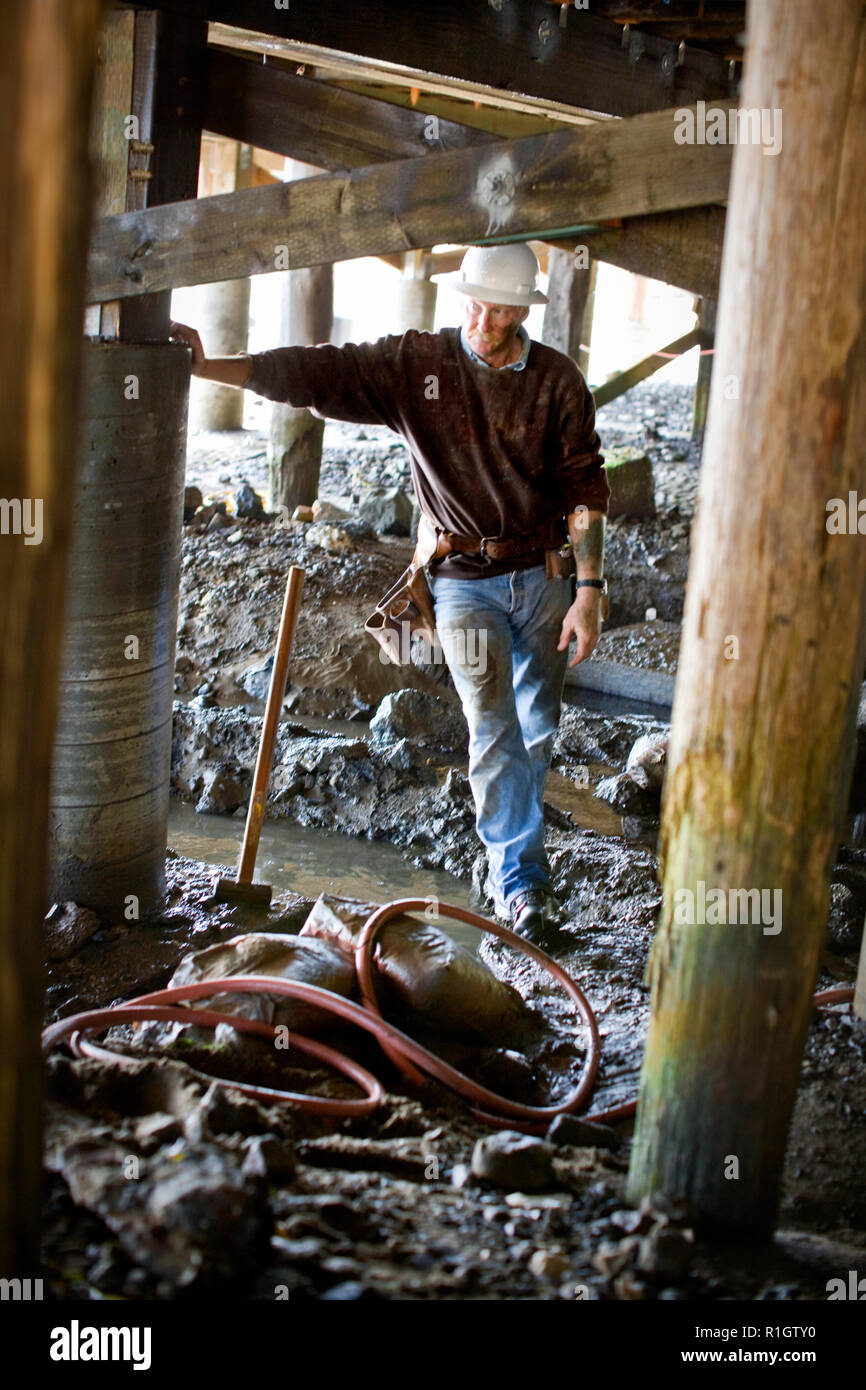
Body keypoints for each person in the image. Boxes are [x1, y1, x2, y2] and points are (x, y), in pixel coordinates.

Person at [170, 242, 609, 947]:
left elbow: (586, 488)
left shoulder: (557, 381)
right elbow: (318, 371)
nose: (484, 321)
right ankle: (522, 885)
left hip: (547, 581)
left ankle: (508, 841)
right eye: (473, 303)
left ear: (524, 309)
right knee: (493, 728)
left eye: (500, 310)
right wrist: (212, 366)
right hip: (461, 583)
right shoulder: (418, 367)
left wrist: (590, 589)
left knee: (537, 726)